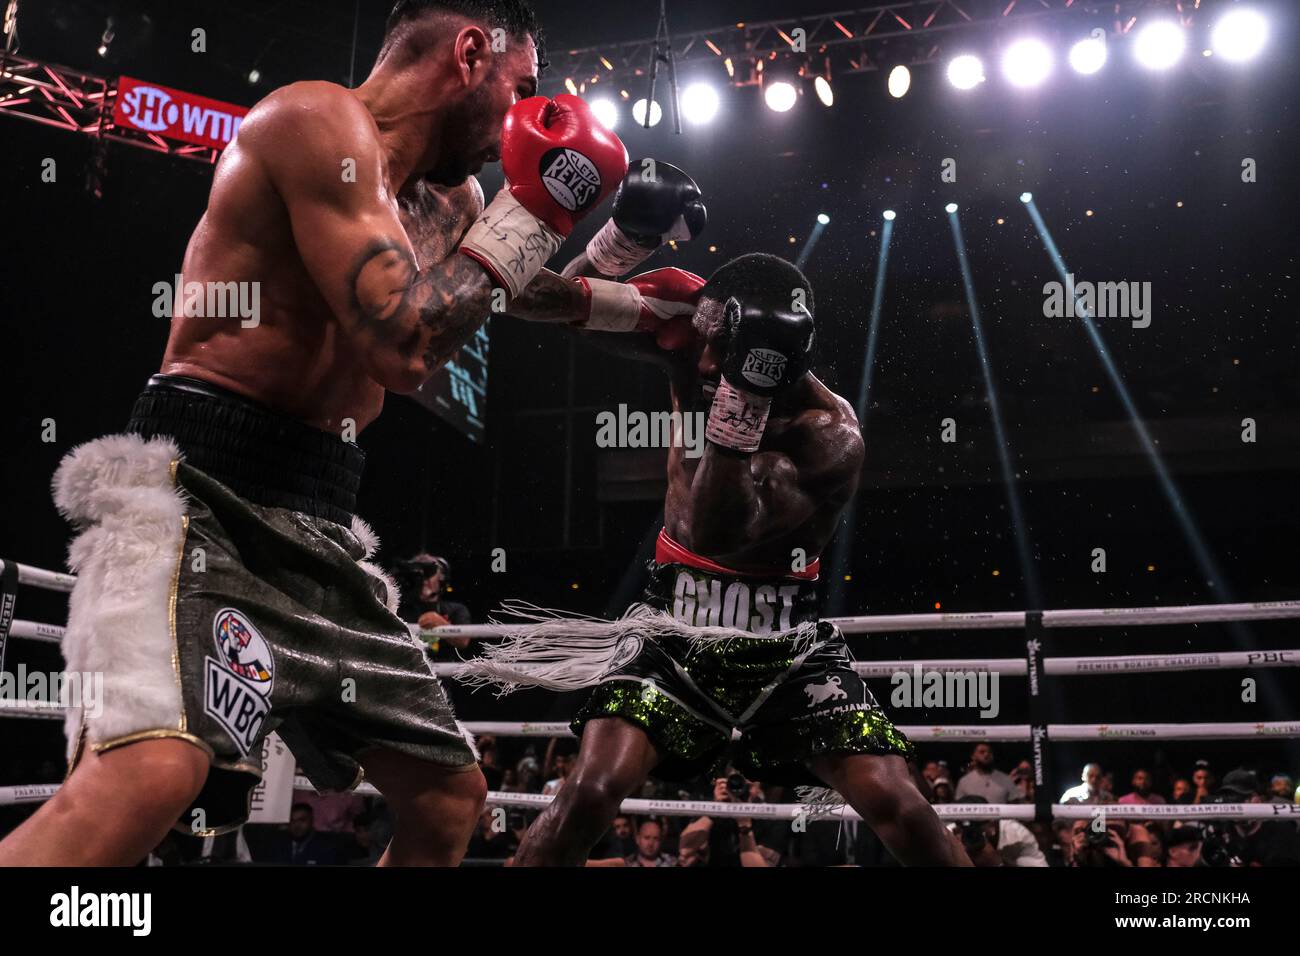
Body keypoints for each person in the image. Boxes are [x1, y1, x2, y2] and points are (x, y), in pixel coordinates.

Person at [0, 0, 631, 867]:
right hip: (201, 493)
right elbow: (403, 345)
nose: (518, 121)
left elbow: (510, 289)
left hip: (320, 510)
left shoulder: (454, 199)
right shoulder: (313, 121)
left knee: (448, 799)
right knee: (150, 775)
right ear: (470, 52)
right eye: (521, 87)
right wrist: (538, 210)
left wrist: (638, 291)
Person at [469, 247, 968, 866]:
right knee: (590, 794)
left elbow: (716, 531)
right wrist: (615, 244)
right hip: (673, 627)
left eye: (724, 355)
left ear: (773, 363)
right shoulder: (698, 333)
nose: (702, 361)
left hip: (785, 648)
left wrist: (740, 403)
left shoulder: (827, 438)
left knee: (906, 811)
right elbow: (537, 300)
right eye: (703, 340)